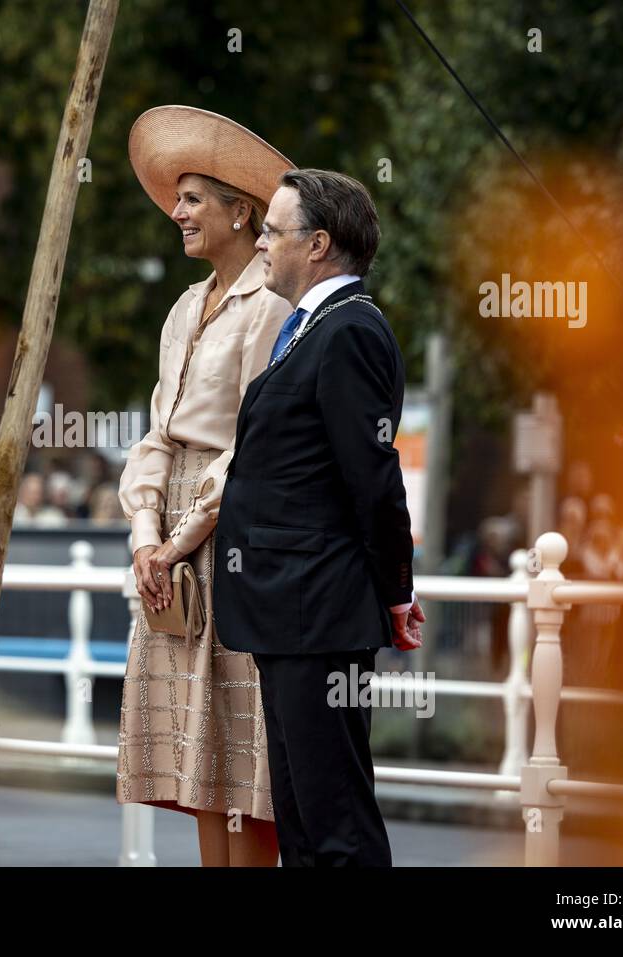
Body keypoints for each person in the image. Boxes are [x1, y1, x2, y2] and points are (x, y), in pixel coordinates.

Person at [212, 168, 423, 867]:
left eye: (272, 231)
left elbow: (375, 478)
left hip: (318, 609)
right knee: (302, 820)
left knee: (335, 822)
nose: (261, 243)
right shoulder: (314, 328)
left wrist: (396, 589)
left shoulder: (349, 331)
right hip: (292, 607)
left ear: (319, 243)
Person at [116, 106, 294, 867]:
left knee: (239, 754)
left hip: (234, 539)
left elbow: (249, 444)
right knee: (195, 761)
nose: (178, 212)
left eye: (193, 198)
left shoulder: (274, 307)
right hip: (174, 547)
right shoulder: (184, 307)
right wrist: (145, 536)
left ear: (240, 211)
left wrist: (180, 538)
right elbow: (156, 435)